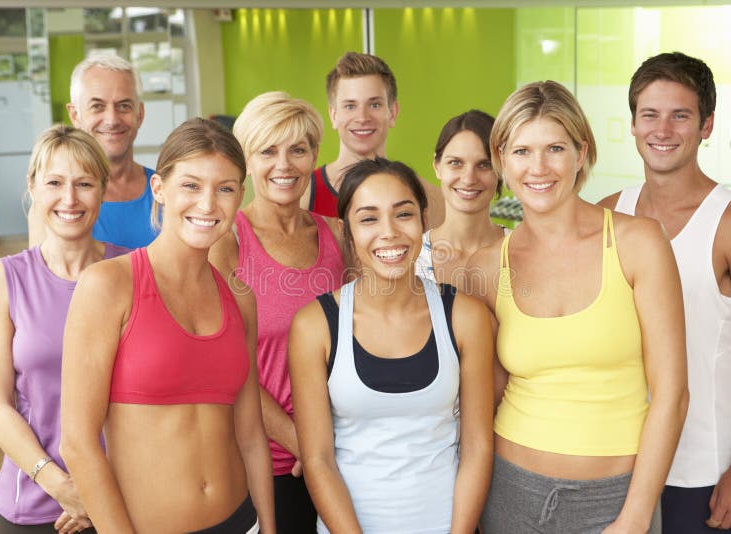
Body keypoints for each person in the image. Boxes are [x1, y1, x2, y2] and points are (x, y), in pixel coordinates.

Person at [467, 81, 688, 533]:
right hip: (509, 493)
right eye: (522, 151)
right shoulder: (488, 266)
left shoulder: (637, 242)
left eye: (554, 148)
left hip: (615, 499)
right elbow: (483, 393)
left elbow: (672, 396)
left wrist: (635, 516)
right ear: (502, 160)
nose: (538, 168)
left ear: (581, 152)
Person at [60, 118, 275, 533]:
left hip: (240, 520)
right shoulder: (108, 285)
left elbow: (250, 435)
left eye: (225, 188)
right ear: (159, 189)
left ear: (240, 196)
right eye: (191, 186)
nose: (208, 204)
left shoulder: (241, 299)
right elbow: (79, 443)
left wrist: (267, 527)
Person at [599, 52, 731, 533]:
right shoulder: (612, 212)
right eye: (649, 115)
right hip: (620, 455)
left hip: (702, 466)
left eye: (680, 115)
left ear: (707, 126)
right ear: (633, 125)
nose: (663, 130)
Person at [289, 157, 494, 533]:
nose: (389, 233)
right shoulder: (314, 326)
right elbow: (318, 459)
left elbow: (477, 448)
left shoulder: (465, 317)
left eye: (403, 214)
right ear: (346, 231)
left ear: (423, 220)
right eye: (368, 219)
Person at [0, 124, 128, 534]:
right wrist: (62, 487)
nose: (70, 199)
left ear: (103, 188)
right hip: (31, 504)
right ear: (32, 186)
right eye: (55, 183)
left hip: (123, 499)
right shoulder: (1, 281)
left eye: (84, 183)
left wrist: (96, 492)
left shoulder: (133, 273)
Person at [209, 91, 345, 534]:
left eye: (297, 150)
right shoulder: (227, 243)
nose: (283, 165)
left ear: (314, 156)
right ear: (246, 160)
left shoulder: (339, 236)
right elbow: (231, 367)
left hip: (342, 451)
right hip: (266, 462)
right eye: (268, 150)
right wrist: (304, 445)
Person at [299, 51, 445, 227]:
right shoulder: (304, 192)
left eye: (374, 105)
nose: (362, 117)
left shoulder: (426, 196)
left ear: (392, 112)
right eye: (350, 106)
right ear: (333, 115)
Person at [29, 55, 156, 249]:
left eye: (124, 106)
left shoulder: (167, 192)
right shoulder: (55, 204)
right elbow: (43, 277)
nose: (112, 120)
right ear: (75, 115)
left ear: (140, 114)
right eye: (97, 106)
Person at [415, 109, 509, 286]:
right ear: (437, 166)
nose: (469, 179)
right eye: (456, 163)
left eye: (484, 165)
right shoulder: (410, 257)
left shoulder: (522, 253)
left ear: (501, 169)